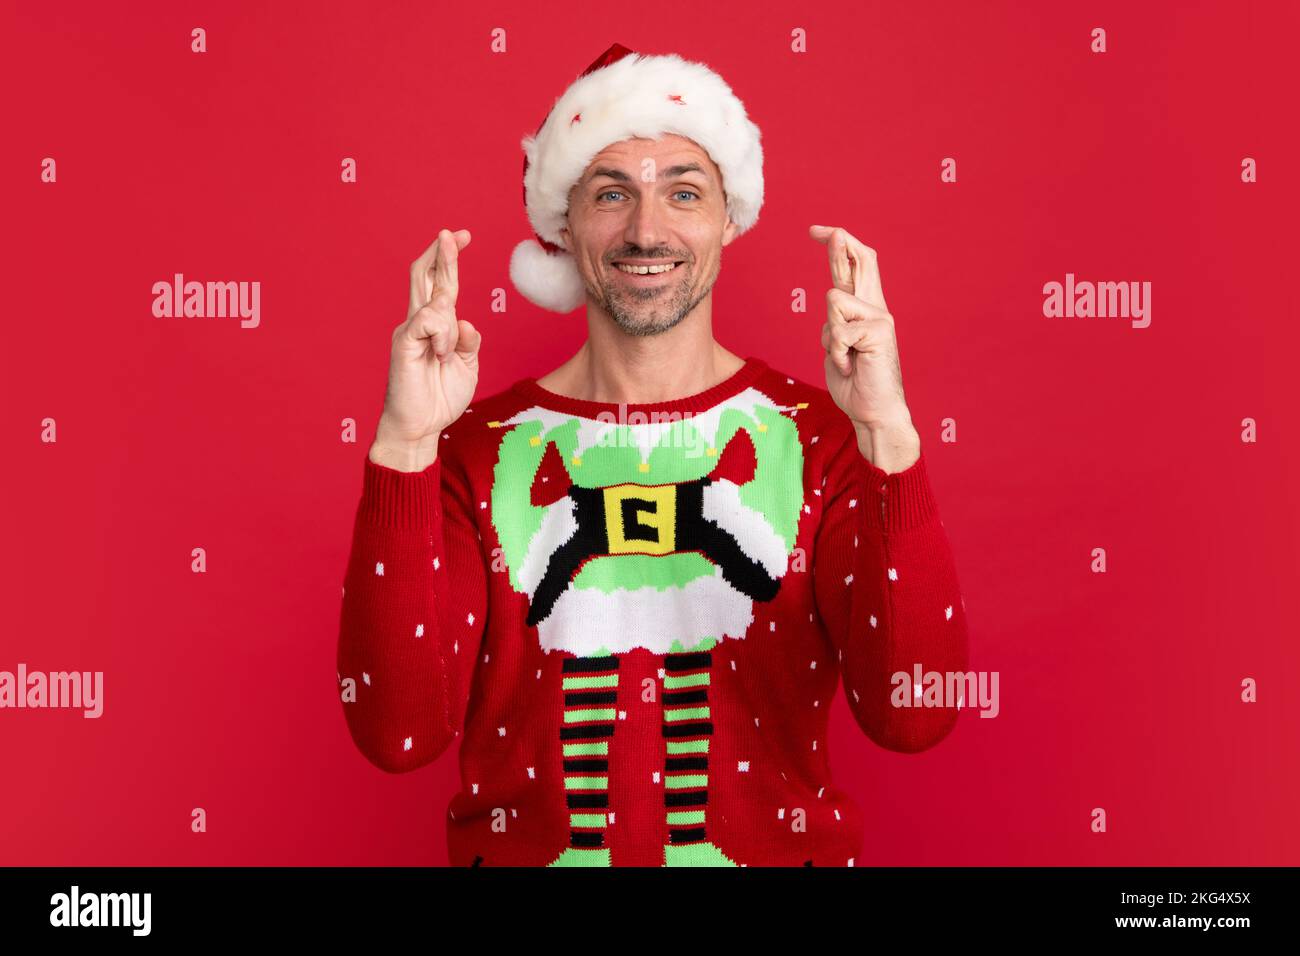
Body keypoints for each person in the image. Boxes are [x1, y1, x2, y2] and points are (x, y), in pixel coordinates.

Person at [337, 42, 969, 867]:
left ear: (729, 216)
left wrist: (889, 435)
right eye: (611, 193)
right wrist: (404, 445)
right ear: (563, 223)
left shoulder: (820, 438)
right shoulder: (474, 453)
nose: (647, 229)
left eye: (683, 190)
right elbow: (398, 732)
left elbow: (912, 714)